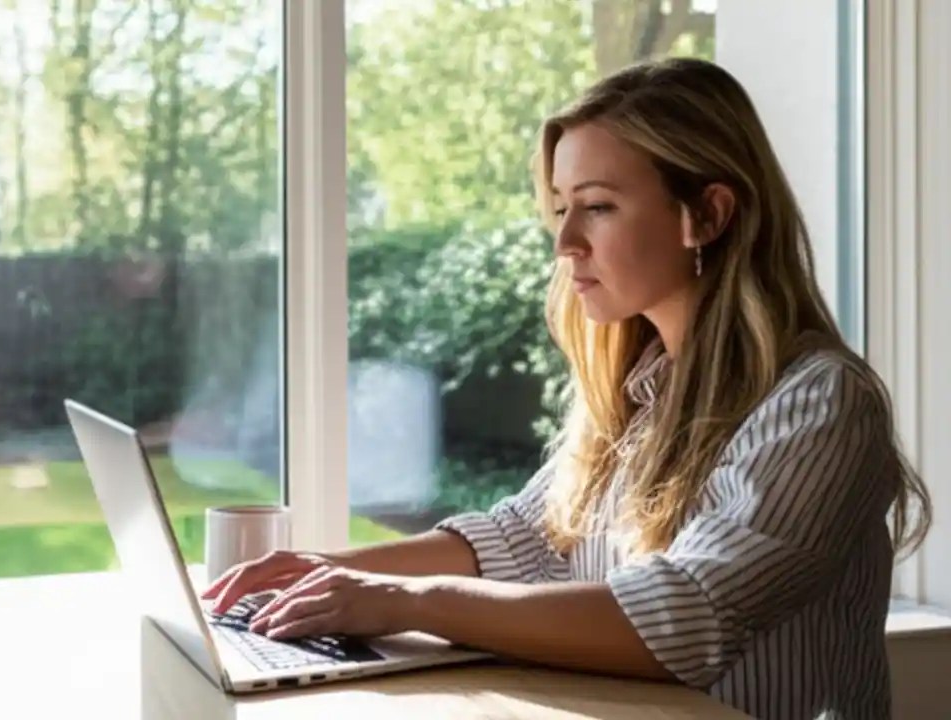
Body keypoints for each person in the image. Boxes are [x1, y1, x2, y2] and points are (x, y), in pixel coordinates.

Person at [201, 57, 931, 719]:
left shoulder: (820, 404)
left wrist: (404, 600)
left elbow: (686, 618)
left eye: (599, 206)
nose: (564, 243)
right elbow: (525, 537)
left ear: (706, 215)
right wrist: (325, 571)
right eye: (561, 207)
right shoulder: (643, 391)